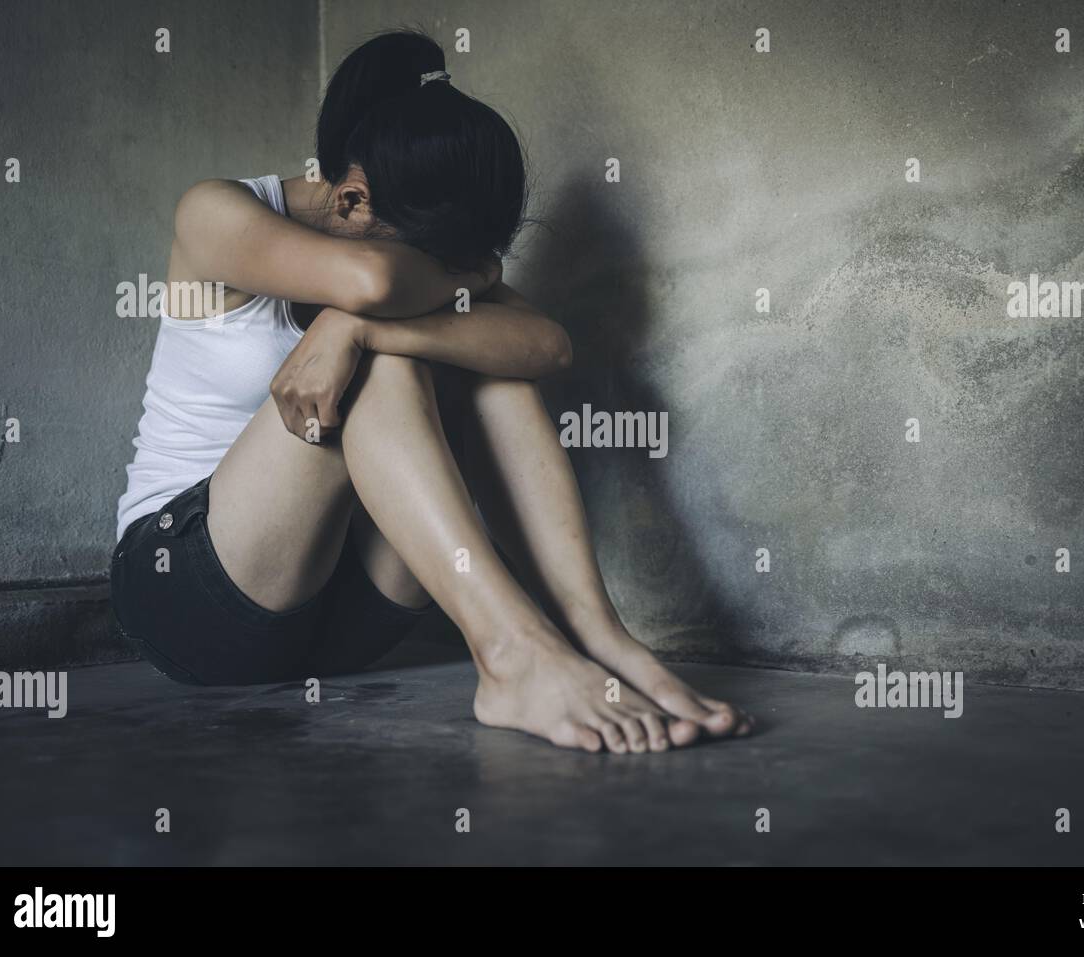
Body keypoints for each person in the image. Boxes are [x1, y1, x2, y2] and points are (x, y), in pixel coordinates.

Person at [110, 29, 752, 754]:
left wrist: (373, 331)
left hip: (335, 618)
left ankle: (598, 637)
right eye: (436, 264)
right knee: (391, 355)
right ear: (351, 200)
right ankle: (511, 657)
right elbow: (373, 283)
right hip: (191, 593)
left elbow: (545, 345)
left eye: (462, 265)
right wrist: (390, 313)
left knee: (462, 358)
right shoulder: (214, 214)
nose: (449, 276)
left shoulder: (408, 228)